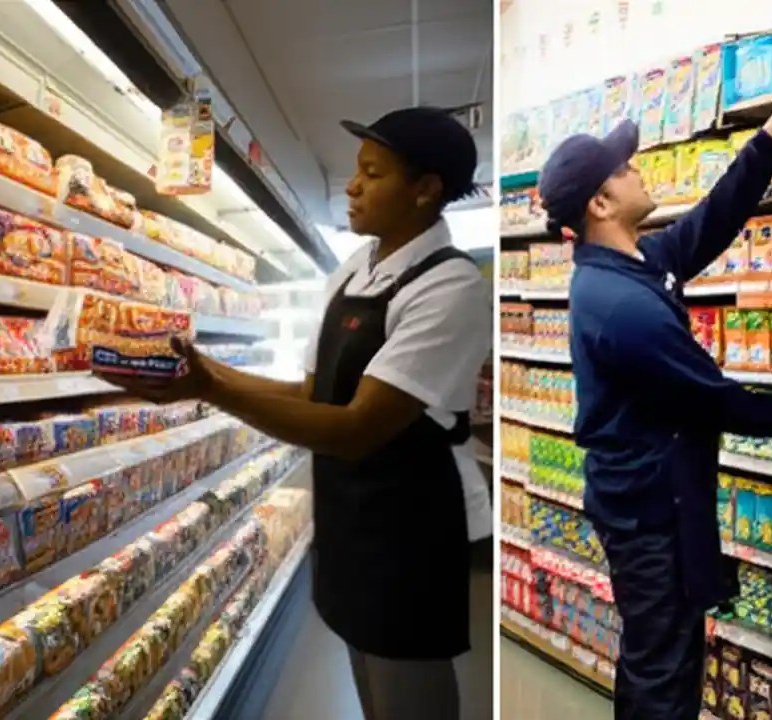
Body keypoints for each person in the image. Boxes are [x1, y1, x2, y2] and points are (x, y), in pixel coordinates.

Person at [103, 106, 491, 720]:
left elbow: (357, 429)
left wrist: (216, 390)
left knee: (409, 691)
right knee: (370, 683)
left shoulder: (450, 286)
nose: (353, 186)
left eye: (373, 173)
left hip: (406, 532)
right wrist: (197, 375)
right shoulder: (354, 269)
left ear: (426, 189)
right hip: (348, 522)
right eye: (356, 171)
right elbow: (314, 395)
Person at [536, 59, 772, 720]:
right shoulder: (621, 307)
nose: (637, 170)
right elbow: (713, 399)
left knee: (655, 655)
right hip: (648, 516)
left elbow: (713, 219)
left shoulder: (636, 263)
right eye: (623, 169)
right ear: (601, 203)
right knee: (665, 670)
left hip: (654, 499)